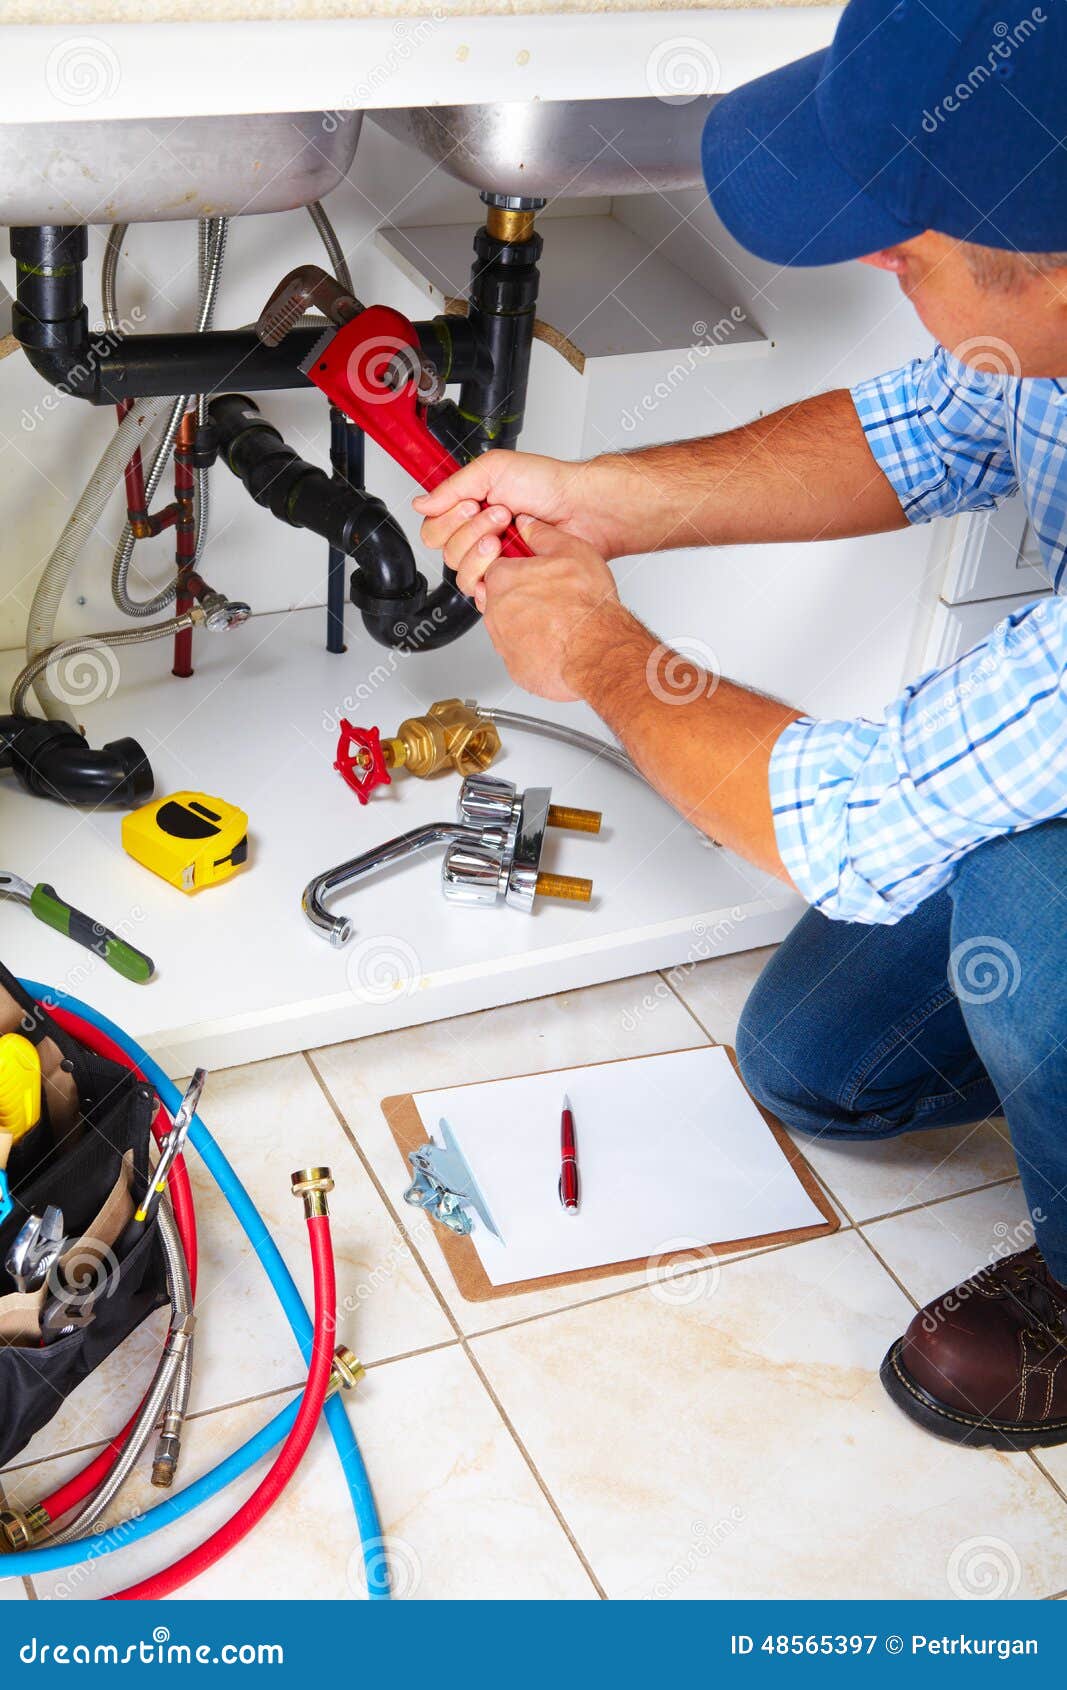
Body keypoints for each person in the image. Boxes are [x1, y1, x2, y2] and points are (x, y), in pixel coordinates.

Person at [414, 0, 1067, 1450]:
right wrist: (607, 501)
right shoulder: (1044, 333)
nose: (876, 258)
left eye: (909, 241)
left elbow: (857, 824)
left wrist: (590, 642)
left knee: (1034, 913)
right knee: (820, 1061)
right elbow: (935, 428)